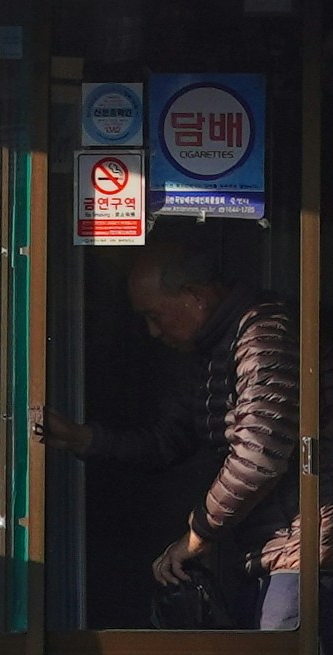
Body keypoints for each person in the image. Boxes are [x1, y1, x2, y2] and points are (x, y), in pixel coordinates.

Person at [121, 216, 302, 627]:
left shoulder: (262, 335)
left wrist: (197, 534)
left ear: (193, 296)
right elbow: (168, 441)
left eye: (154, 315)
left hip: (305, 547)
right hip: (271, 551)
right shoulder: (215, 351)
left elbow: (259, 456)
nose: (152, 331)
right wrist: (83, 439)